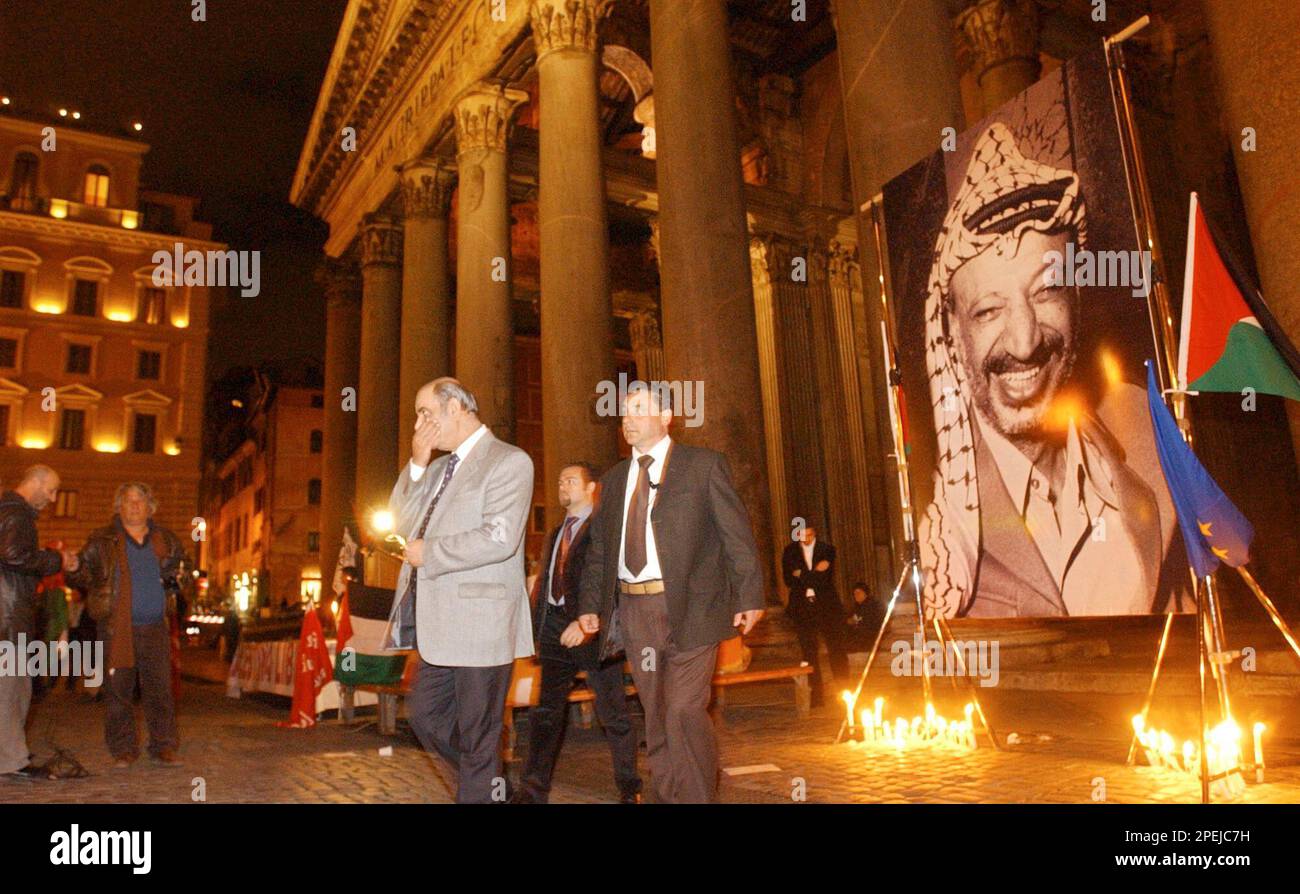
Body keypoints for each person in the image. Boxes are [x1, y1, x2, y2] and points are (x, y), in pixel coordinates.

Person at [918, 121, 1178, 619]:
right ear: (951, 331)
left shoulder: (1148, 431)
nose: (1026, 341)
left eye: (1045, 291)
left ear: (1076, 293)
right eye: (989, 310)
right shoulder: (944, 528)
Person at [578, 383, 764, 803]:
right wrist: (591, 605)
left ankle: (697, 797)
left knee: (683, 709)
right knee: (658, 714)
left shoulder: (703, 466)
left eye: (639, 409)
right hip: (635, 610)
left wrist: (750, 594)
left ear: (666, 417)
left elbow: (736, 536)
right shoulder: (612, 480)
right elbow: (601, 552)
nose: (628, 418)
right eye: (625, 411)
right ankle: (668, 795)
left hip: (693, 607)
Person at [382, 377, 534, 804]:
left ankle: (483, 782)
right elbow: (397, 522)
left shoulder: (508, 461)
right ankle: (489, 783)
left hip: (482, 624)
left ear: (456, 408)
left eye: (425, 413)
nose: (419, 423)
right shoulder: (433, 470)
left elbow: (499, 537)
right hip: (439, 627)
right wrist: (416, 462)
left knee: (479, 736)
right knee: (427, 718)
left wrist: (431, 552)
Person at [514, 462, 642, 804]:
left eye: (570, 480)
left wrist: (587, 622)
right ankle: (533, 790)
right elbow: (546, 582)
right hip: (555, 628)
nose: (562, 485)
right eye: (559, 479)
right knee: (546, 712)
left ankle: (630, 788)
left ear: (591, 488)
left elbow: (612, 582)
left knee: (612, 712)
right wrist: (536, 624)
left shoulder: (605, 529)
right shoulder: (556, 533)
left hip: (594, 632)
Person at [68, 483, 186, 768]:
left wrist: (179, 581)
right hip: (115, 629)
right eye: (128, 501)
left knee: (160, 690)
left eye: (140, 501)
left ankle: (163, 745)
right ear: (118, 506)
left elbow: (181, 575)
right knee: (118, 691)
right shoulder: (102, 540)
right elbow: (83, 577)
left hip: (155, 626)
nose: (134, 506)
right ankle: (123, 748)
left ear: (150, 507)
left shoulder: (166, 540)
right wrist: (72, 568)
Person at [0, 465, 73, 781]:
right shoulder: (17, 514)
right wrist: (56, 559)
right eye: (52, 490)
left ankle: (11, 756)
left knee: (14, 688)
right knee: (12, 689)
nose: (53, 498)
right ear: (36, 483)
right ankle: (11, 760)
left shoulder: (10, 510)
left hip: (8, 611)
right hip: (8, 614)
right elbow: (14, 555)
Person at [780, 524, 847, 706]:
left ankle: (845, 691)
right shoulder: (790, 551)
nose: (806, 539)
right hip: (802, 607)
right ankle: (816, 696)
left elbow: (824, 580)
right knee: (809, 652)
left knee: (836, 649)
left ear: (814, 533)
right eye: (802, 536)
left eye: (809, 535)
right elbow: (788, 580)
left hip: (826, 606)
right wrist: (814, 572)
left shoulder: (827, 549)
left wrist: (801, 574)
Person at [844, 581, 881, 651]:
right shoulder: (856, 607)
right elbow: (849, 618)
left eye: (859, 593)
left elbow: (872, 623)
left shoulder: (873, 605)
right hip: (858, 636)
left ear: (865, 593)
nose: (856, 595)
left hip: (870, 636)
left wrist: (857, 622)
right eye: (855, 594)